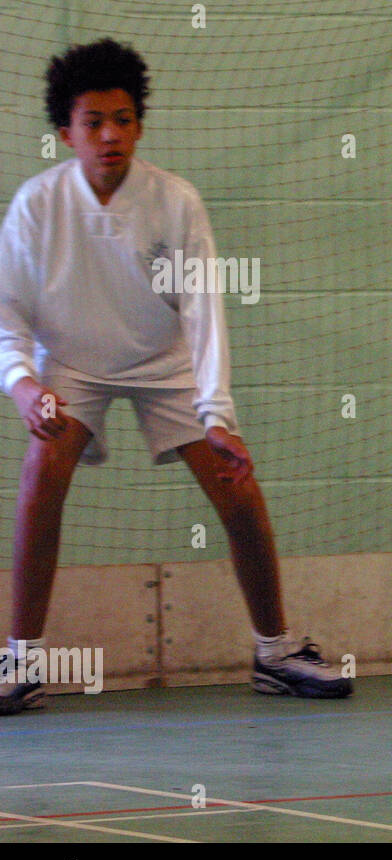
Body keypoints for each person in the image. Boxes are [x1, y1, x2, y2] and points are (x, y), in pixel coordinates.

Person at [0, 38, 351, 714]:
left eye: (124, 119)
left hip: (167, 364)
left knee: (237, 486)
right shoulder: (35, 207)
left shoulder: (176, 202)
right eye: (94, 121)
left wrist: (217, 416)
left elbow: (204, 314)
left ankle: (275, 651)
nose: (110, 135)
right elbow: (7, 317)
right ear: (65, 131)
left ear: (139, 124)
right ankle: (21, 662)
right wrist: (23, 384)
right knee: (41, 474)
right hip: (71, 366)